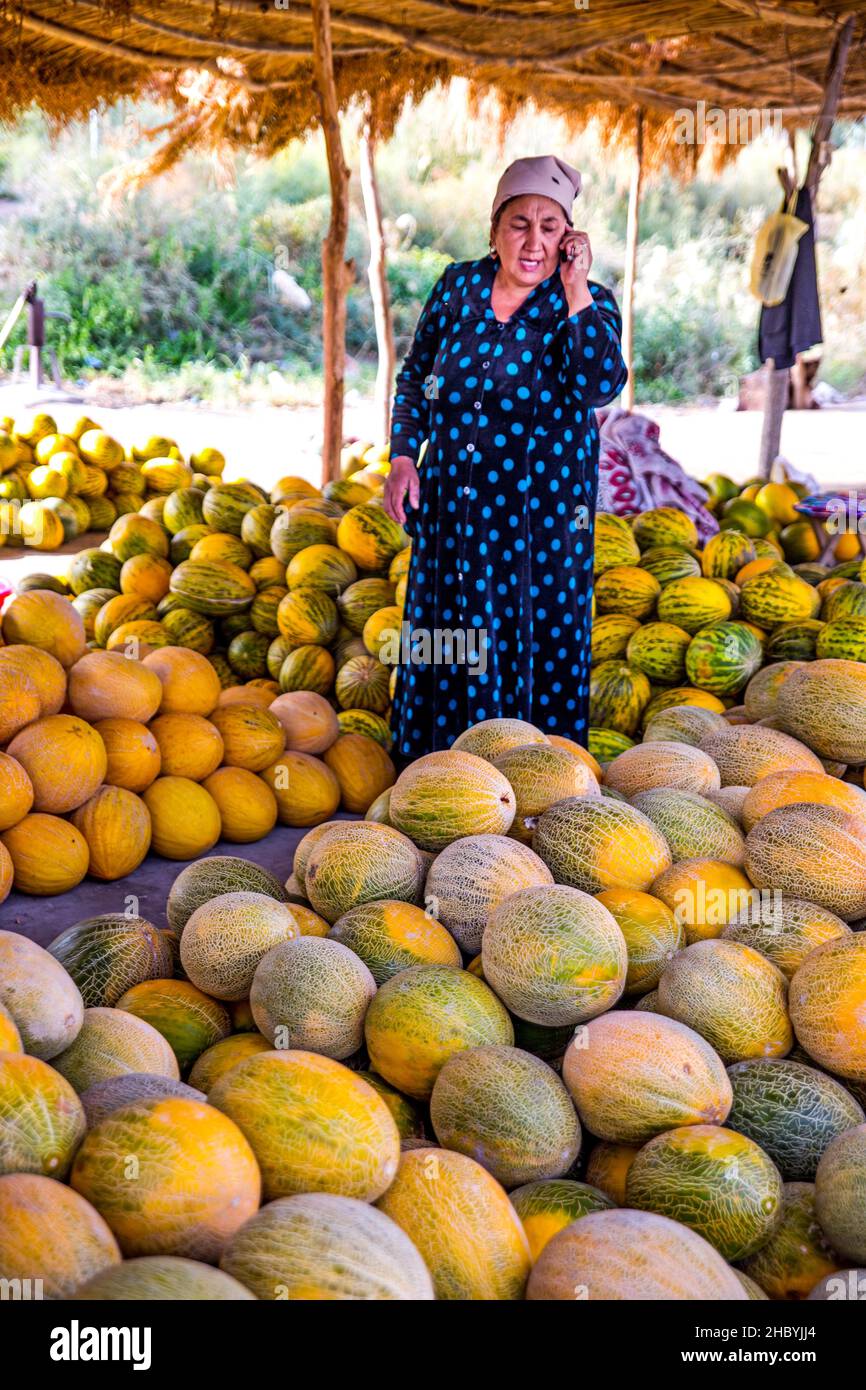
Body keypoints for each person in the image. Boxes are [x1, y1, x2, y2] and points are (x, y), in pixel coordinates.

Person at [384, 154, 627, 761]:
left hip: (539, 528)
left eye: (551, 227)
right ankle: (437, 781)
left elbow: (602, 384)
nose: (534, 240)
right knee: (447, 639)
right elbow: (415, 378)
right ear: (494, 229)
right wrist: (404, 456)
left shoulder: (590, 303)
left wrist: (574, 289)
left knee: (530, 642)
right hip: (452, 513)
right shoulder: (456, 287)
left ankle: (526, 789)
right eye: (520, 223)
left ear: (569, 238)